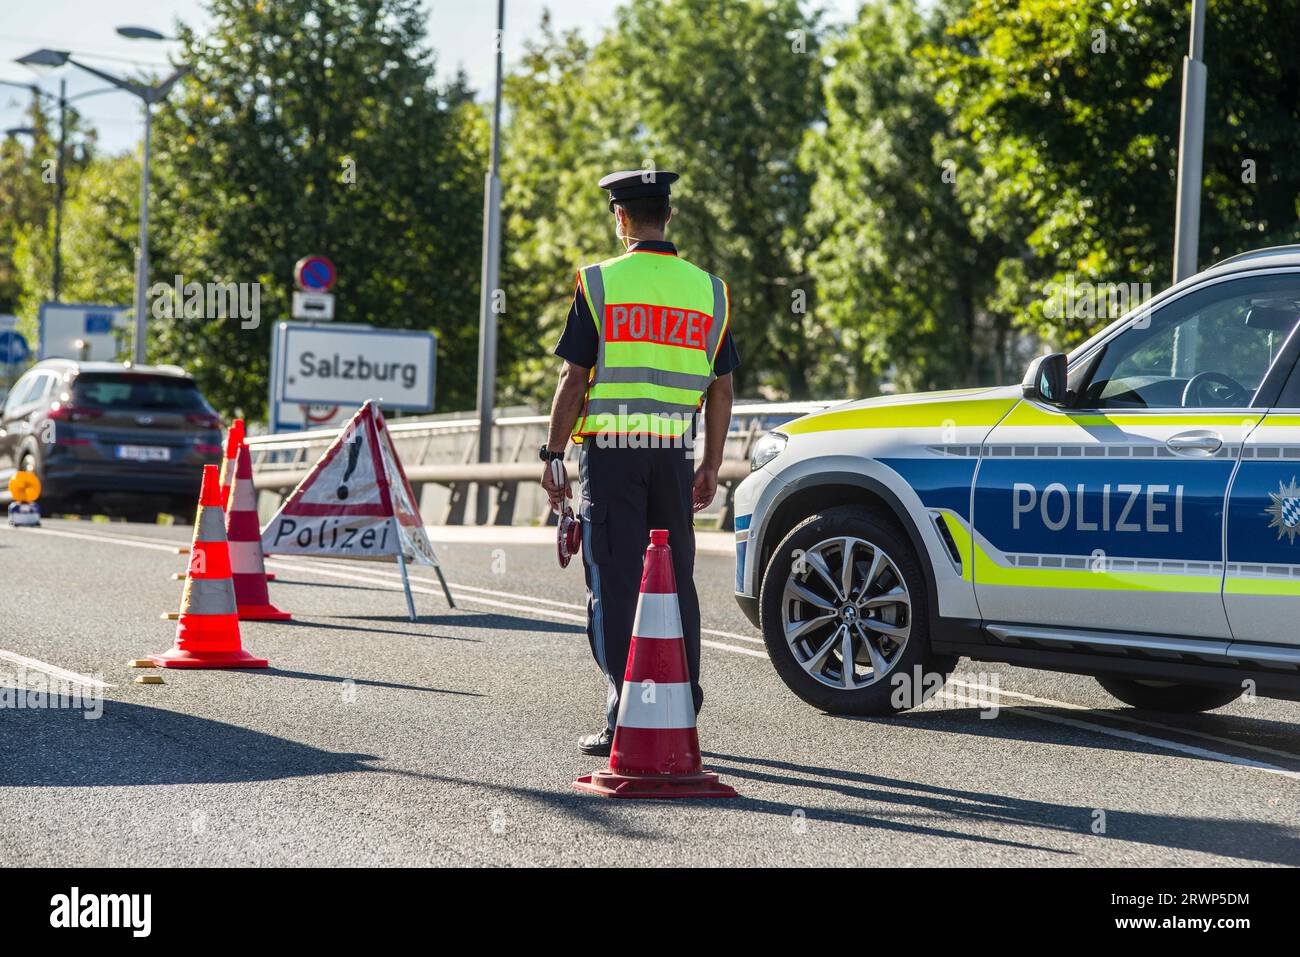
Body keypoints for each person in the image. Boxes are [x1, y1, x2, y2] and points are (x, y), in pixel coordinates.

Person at [539, 169, 740, 755]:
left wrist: (553, 453)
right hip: (673, 457)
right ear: (669, 216)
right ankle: (682, 700)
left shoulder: (600, 283)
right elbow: (721, 388)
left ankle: (624, 709)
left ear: (620, 218)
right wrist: (711, 463)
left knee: (617, 578)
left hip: (611, 455)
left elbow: (575, 377)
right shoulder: (710, 291)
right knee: (674, 579)